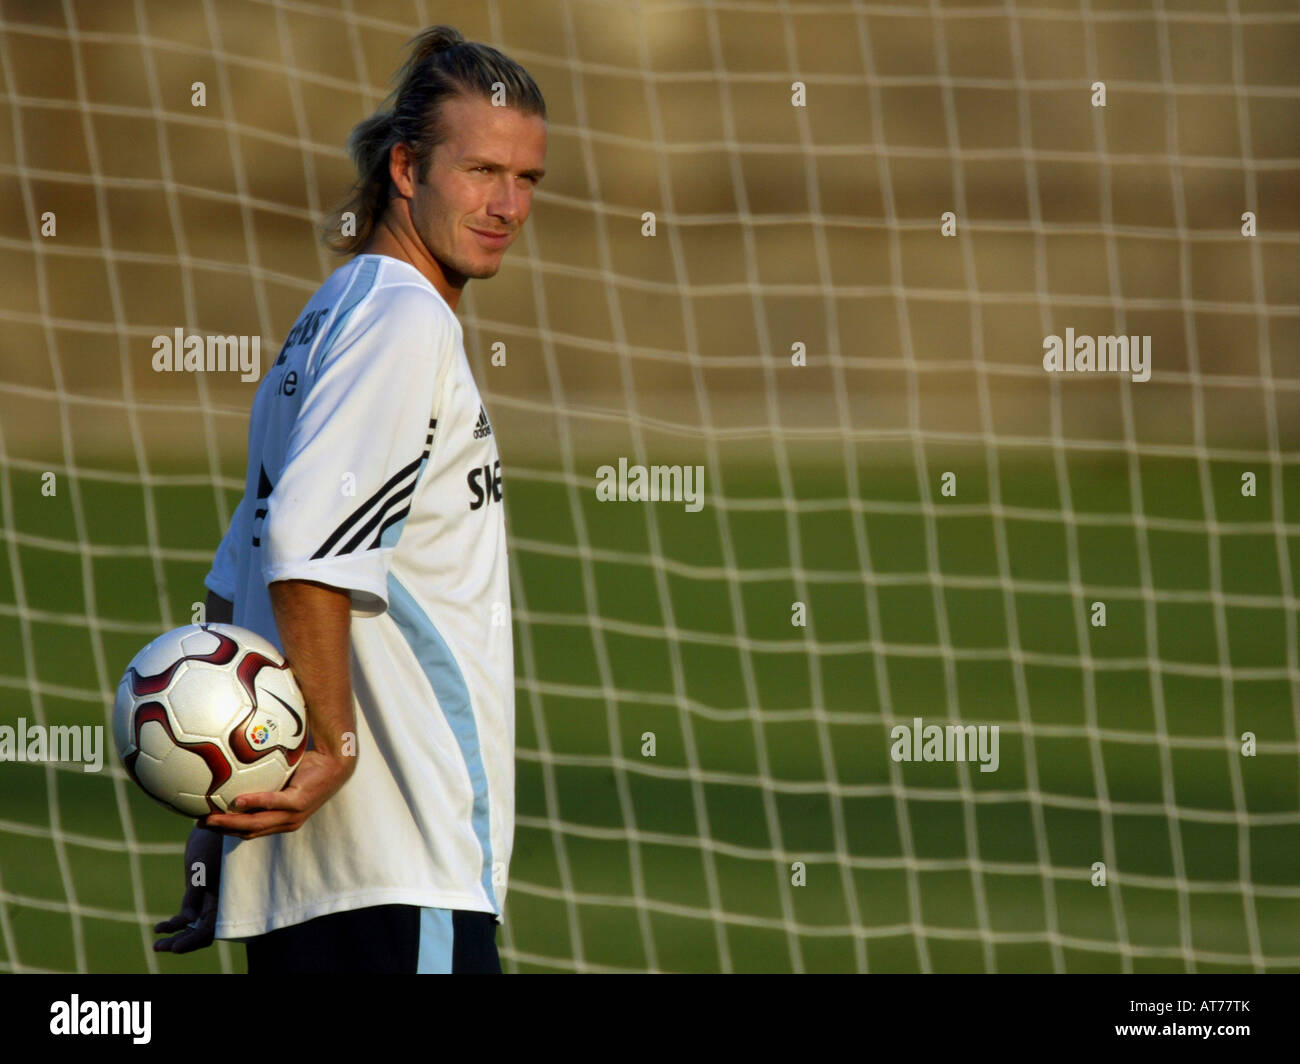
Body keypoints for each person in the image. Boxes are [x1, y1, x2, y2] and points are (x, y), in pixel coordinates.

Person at [152, 25, 547, 974]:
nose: (507, 205)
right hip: (399, 870)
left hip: (308, 878)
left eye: (528, 179)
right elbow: (299, 546)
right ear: (406, 166)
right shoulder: (403, 322)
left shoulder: (330, 315)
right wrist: (331, 748)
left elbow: (228, 590)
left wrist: (226, 796)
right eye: (482, 170)